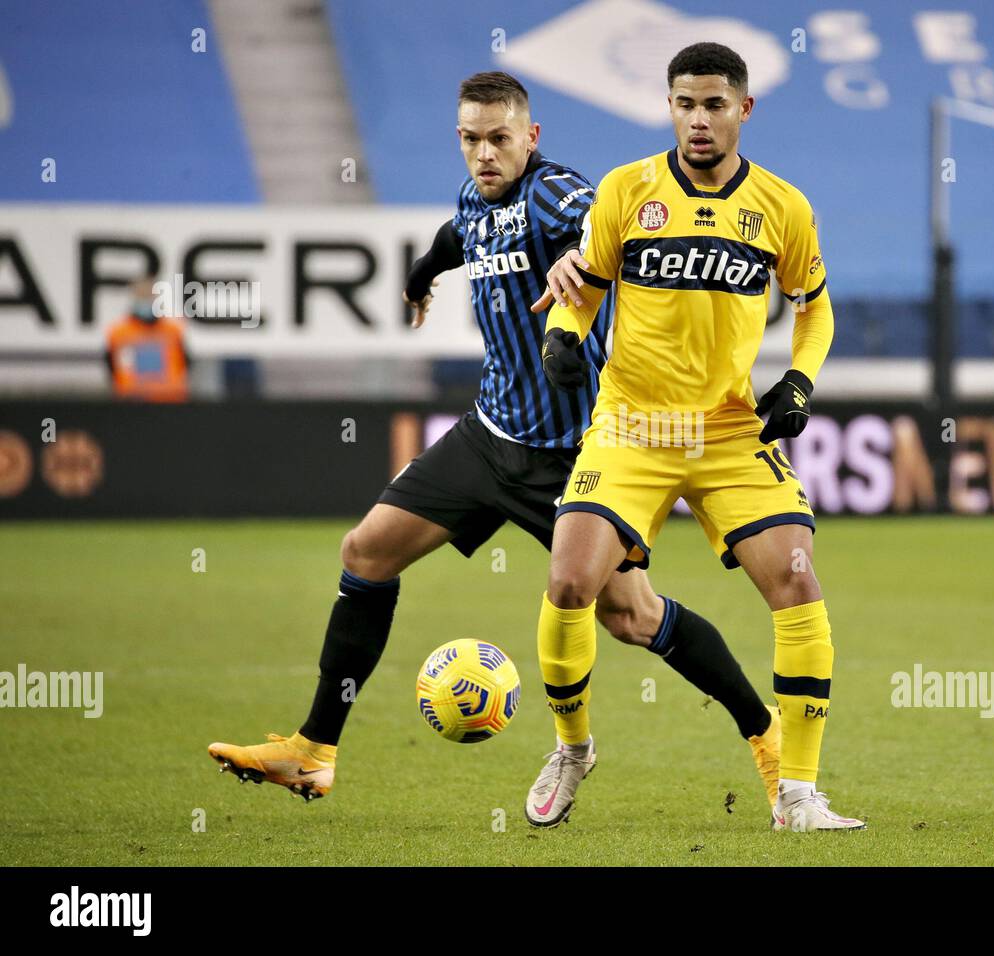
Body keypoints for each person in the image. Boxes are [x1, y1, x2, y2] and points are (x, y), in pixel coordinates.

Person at [207, 72, 781, 822]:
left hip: (581, 455)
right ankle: (315, 752)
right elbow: (458, 235)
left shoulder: (554, 195)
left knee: (630, 617)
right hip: (489, 436)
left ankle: (766, 737)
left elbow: (616, 226)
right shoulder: (474, 198)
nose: (484, 153)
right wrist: (421, 276)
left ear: (530, 137)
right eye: (471, 139)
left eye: (499, 138)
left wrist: (588, 265)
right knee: (366, 552)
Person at [527, 44, 864, 831]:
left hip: (726, 430)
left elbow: (814, 305)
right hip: (632, 425)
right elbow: (582, 288)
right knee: (572, 584)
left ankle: (798, 795)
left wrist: (802, 381)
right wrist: (563, 339)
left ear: (745, 110)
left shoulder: (783, 206)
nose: (699, 119)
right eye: (685, 103)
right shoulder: (626, 190)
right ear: (669, 107)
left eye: (714, 104)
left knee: (797, 580)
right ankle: (573, 748)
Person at [104, 276, 189, 402]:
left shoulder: (173, 330)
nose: (146, 301)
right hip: (131, 401)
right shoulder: (119, 333)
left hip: (169, 400)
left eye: (149, 296)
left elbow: (185, 362)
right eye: (142, 296)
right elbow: (111, 365)